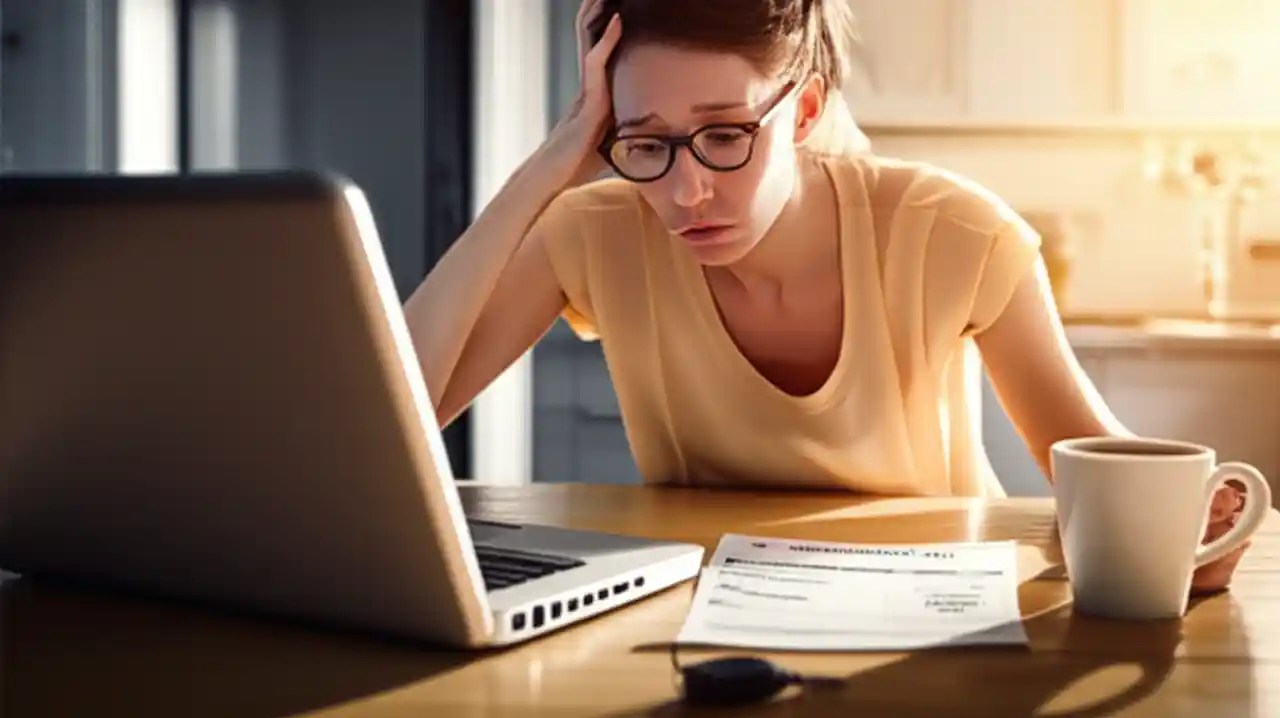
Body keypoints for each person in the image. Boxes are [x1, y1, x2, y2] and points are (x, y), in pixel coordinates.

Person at [403, 0, 1249, 592]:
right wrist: (551, 165)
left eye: (726, 134)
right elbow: (397, 413)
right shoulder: (595, 230)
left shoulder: (954, 233)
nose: (687, 190)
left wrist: (1188, 527)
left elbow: (1095, 463)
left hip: (942, 617)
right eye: (645, 143)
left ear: (803, 109)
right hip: (697, 621)